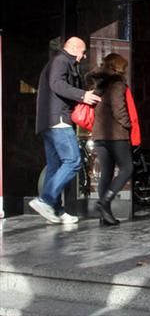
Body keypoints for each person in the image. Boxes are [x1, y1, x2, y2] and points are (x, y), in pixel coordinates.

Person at [30, 37, 101, 224]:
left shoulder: (60, 62)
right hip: (59, 121)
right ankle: (45, 200)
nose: (84, 56)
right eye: (83, 52)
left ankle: (55, 211)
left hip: (49, 121)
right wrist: (82, 95)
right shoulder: (61, 61)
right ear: (74, 48)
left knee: (54, 166)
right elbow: (57, 85)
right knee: (73, 161)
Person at [85, 52, 139, 225]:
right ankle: (104, 201)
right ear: (119, 67)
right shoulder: (116, 84)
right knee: (127, 169)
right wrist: (128, 125)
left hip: (99, 135)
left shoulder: (99, 83)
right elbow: (119, 109)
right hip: (116, 135)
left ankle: (105, 216)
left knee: (106, 173)